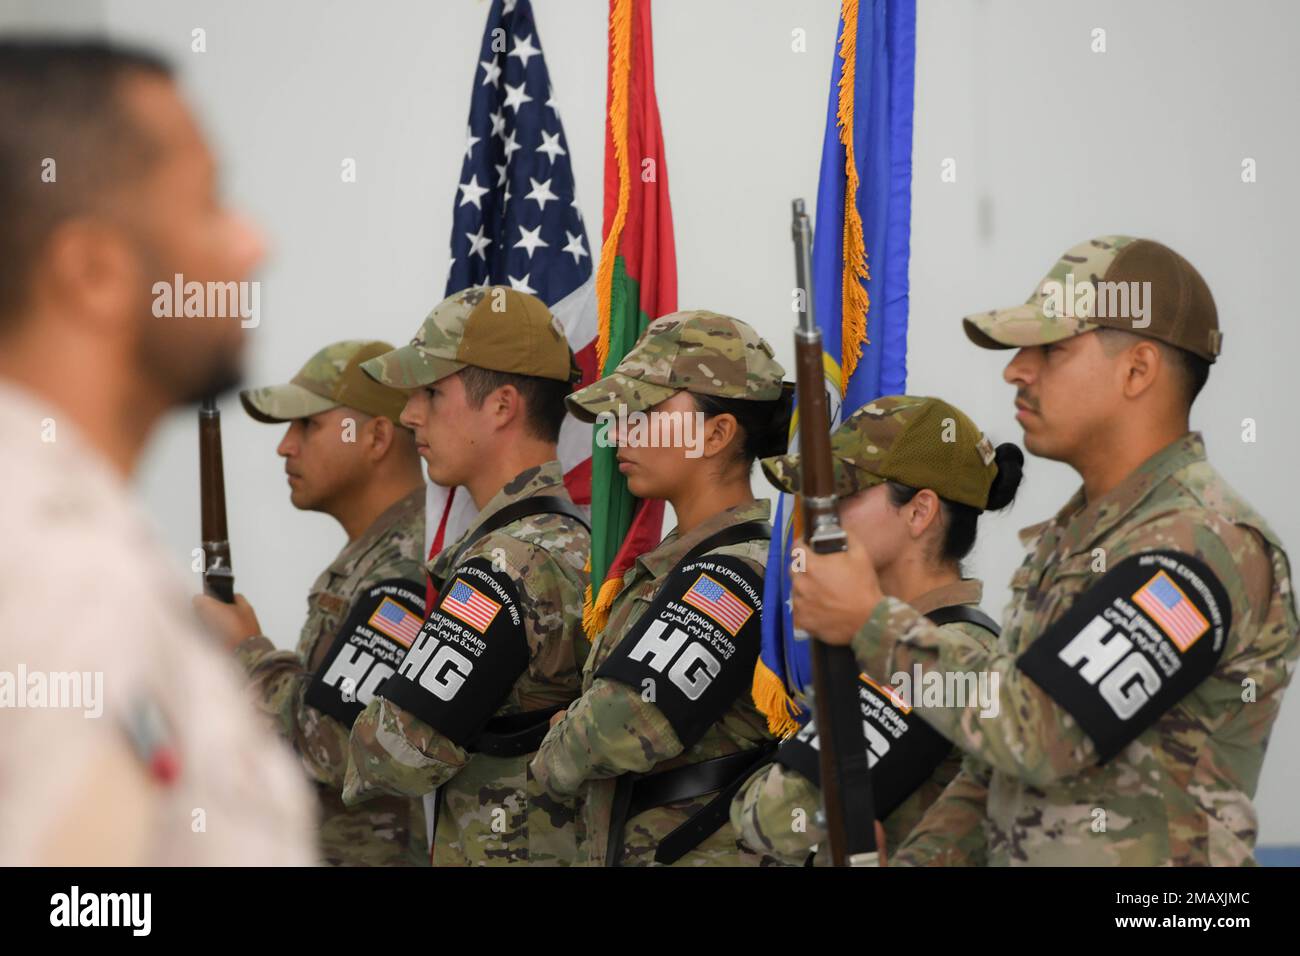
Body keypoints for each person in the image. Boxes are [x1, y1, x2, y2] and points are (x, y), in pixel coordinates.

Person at [793, 235, 1298, 866]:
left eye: (1051, 349)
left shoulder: (1199, 542)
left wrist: (871, 621)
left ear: (1137, 370)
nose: (1015, 370)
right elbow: (998, 780)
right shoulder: (1080, 537)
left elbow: (1043, 729)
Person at [0, 39, 312, 864]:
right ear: (95, 271)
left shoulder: (77, 546)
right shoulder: (60, 587)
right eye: (210, 205)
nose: (254, 246)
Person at [531, 310, 792, 866]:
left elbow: (614, 726)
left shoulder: (733, 573)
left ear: (718, 433)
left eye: (645, 412)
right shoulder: (682, 564)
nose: (619, 433)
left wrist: (561, 737)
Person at [343, 286, 591, 866]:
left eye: (431, 392)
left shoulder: (509, 562)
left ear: (502, 406)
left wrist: (363, 734)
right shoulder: (574, 541)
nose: (409, 415)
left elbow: (393, 755)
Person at [730, 395, 1021, 865]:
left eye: (844, 494)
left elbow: (772, 819)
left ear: (920, 512)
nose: (820, 516)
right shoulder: (900, 643)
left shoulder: (931, 655)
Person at [193, 340, 429, 866]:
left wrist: (246, 650)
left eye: (308, 426)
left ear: (375, 437)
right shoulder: (375, 556)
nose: (285, 447)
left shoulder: (405, 571)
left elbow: (334, 741)